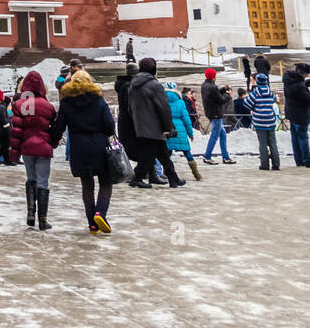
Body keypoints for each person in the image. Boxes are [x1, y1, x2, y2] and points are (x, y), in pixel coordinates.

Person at [51, 68, 116, 234]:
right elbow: (109, 127)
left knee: (87, 185)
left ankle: (92, 224)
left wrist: (53, 139)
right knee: (105, 182)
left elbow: (59, 126)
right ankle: (100, 213)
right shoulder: (98, 100)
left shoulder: (66, 102)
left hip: (78, 147)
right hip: (99, 146)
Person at [9, 70, 57, 230]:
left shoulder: (19, 105)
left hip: (27, 148)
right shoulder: (48, 107)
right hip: (43, 148)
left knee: (31, 179)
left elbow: (16, 131)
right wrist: (53, 143)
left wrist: (14, 152)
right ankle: (42, 219)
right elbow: (54, 129)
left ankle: (30, 212)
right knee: (43, 181)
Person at [128, 58, 185, 187]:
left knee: (163, 154)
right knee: (147, 156)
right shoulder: (154, 85)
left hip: (142, 125)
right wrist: (167, 126)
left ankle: (173, 178)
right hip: (154, 126)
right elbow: (164, 107)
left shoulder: (133, 84)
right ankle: (136, 178)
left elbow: (129, 107)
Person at [164, 80, 201, 180]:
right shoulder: (180, 102)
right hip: (180, 129)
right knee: (186, 151)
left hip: (167, 128)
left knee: (167, 153)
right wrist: (190, 133)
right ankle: (196, 173)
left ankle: (167, 173)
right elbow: (186, 119)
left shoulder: (162, 100)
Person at [245, 71, 280, 171]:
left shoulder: (255, 93)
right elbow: (274, 100)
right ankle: (276, 164)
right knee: (273, 143)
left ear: (257, 82)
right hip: (270, 121)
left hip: (259, 122)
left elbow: (247, 104)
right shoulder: (270, 93)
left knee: (263, 144)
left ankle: (264, 165)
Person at [201, 68, 236, 165]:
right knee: (214, 136)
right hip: (216, 114)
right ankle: (207, 156)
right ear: (213, 76)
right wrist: (228, 95)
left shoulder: (205, 85)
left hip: (210, 113)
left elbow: (214, 95)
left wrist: (223, 89)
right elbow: (220, 100)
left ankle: (226, 157)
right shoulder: (212, 87)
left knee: (223, 135)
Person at [283, 62, 310, 168]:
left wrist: (306, 83)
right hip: (301, 115)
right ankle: (307, 160)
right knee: (303, 138)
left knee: (295, 137)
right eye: (307, 75)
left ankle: (298, 160)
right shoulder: (299, 87)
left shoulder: (289, 80)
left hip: (292, 113)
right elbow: (307, 98)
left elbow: (300, 84)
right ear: (302, 74)